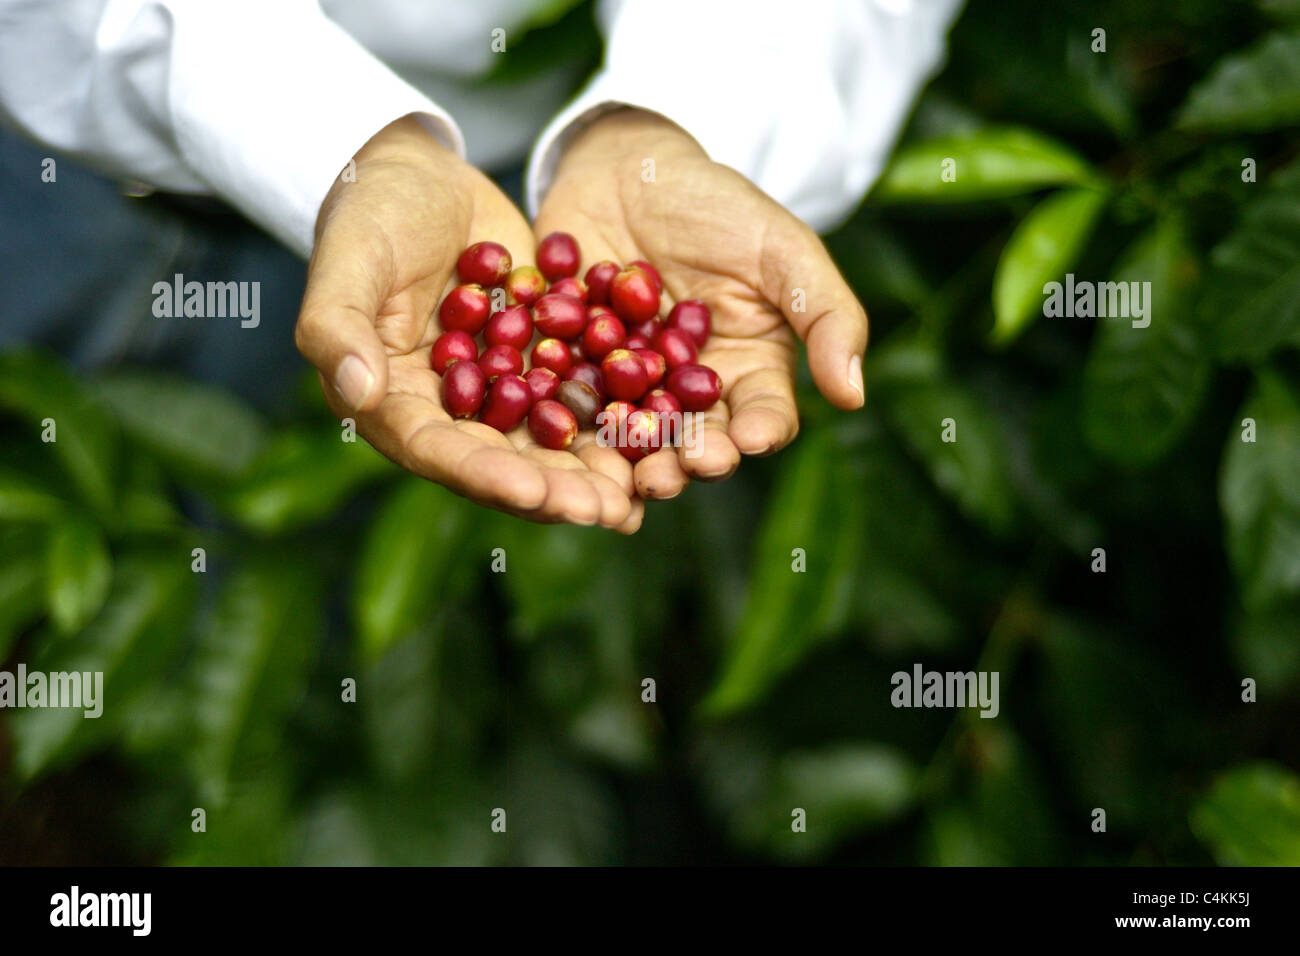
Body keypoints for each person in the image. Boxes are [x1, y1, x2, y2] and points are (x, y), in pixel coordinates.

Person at [0, 0, 962, 533]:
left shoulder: (515, 291)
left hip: (473, 185)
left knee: (265, 532)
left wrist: (672, 118)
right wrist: (335, 138)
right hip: (49, 152)